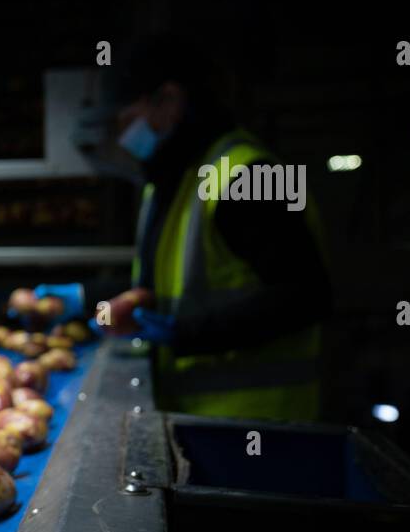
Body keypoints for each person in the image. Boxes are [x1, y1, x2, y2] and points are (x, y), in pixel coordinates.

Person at [30, 34, 331, 420]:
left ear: (168, 101)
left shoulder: (250, 175)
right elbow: (170, 288)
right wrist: (83, 296)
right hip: (194, 418)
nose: (122, 134)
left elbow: (306, 296)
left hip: (259, 424)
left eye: (127, 118)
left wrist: (185, 334)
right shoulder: (176, 180)